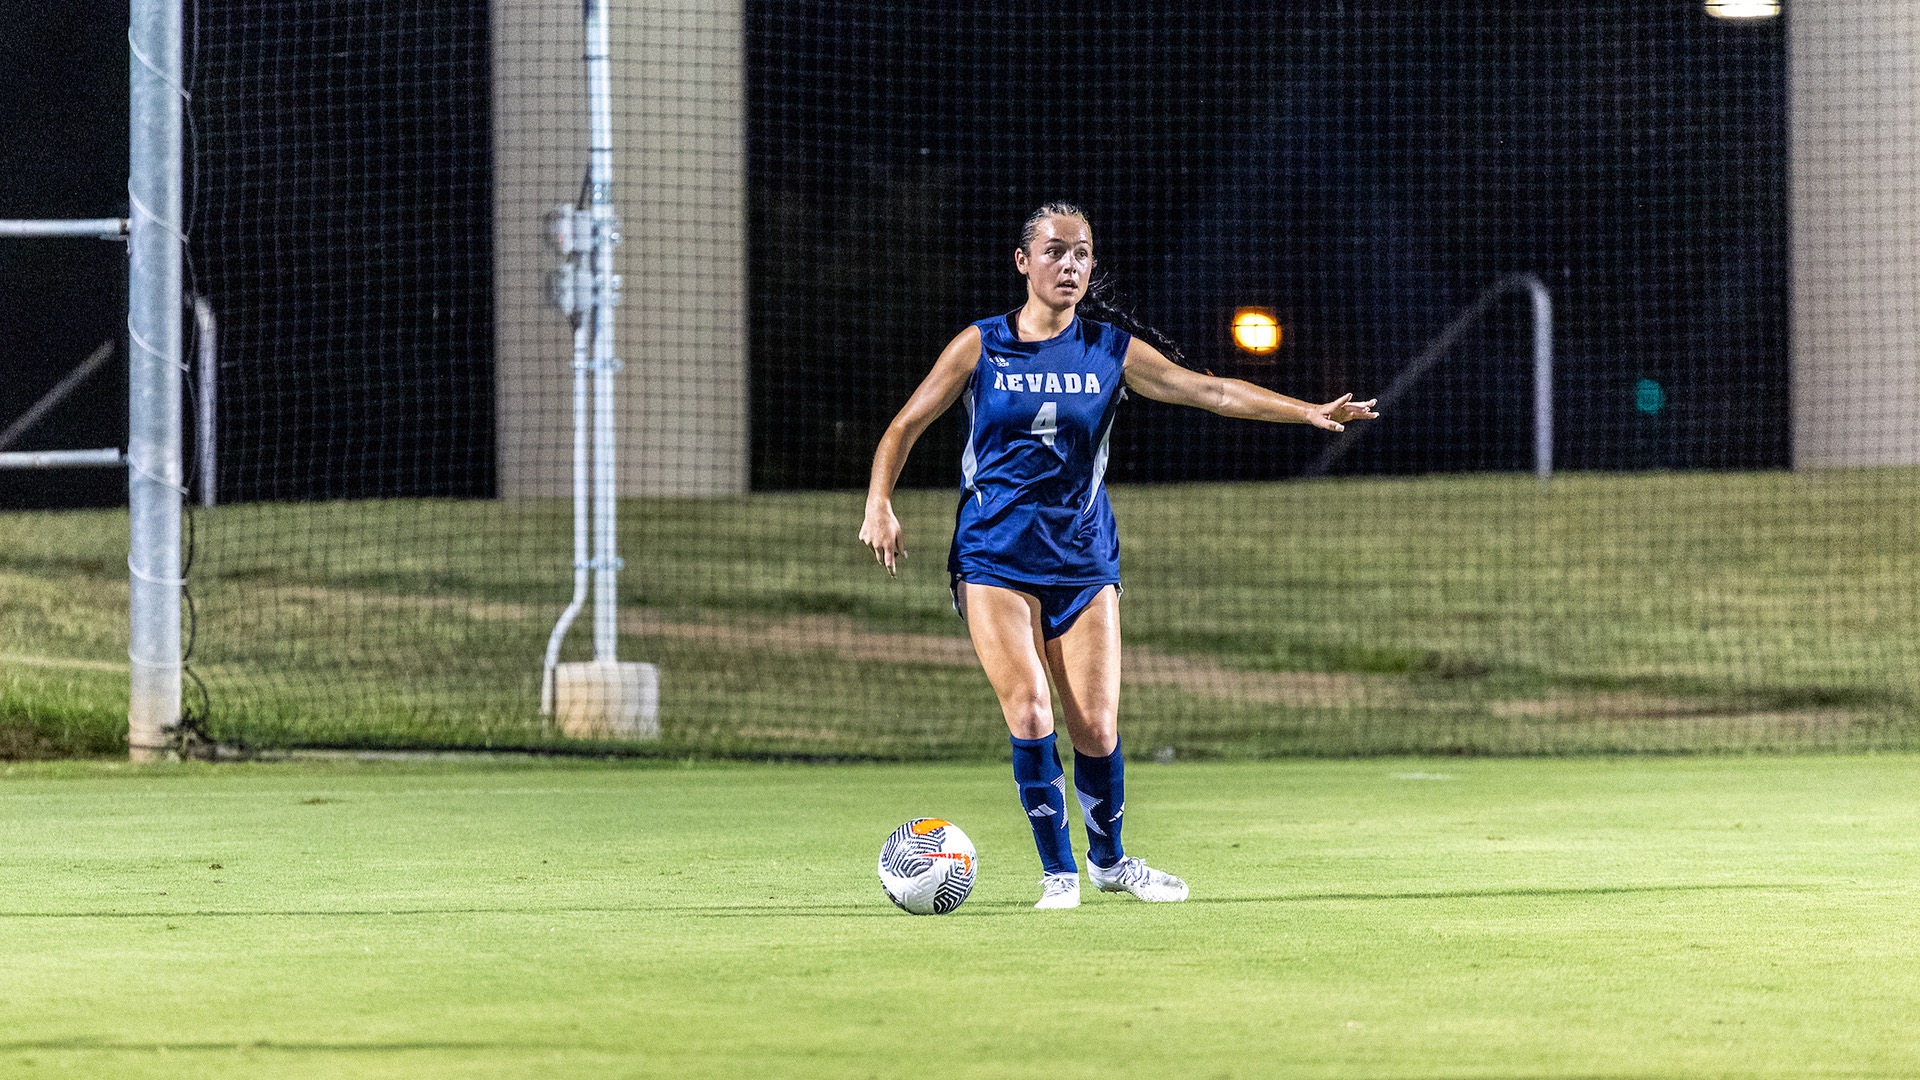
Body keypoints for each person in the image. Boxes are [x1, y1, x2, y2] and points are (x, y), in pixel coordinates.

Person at [859, 203, 1377, 910]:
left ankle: (1110, 863)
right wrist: (878, 503)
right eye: (1054, 252)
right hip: (994, 558)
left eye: (1081, 254)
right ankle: (1059, 874)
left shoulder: (1111, 350)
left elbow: (1211, 389)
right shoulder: (980, 346)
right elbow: (903, 425)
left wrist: (1307, 410)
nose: (1068, 265)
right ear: (1023, 262)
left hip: (1082, 558)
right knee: (1031, 710)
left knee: (1096, 728)